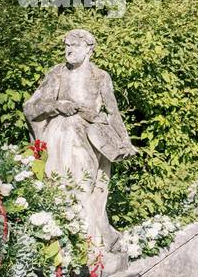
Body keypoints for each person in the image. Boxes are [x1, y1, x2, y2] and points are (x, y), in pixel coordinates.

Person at [24, 29, 137, 253]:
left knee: (86, 186)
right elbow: (31, 107)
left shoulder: (100, 76)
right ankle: (68, 242)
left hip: (89, 137)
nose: (69, 50)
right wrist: (55, 106)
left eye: (75, 45)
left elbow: (113, 112)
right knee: (59, 185)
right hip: (59, 136)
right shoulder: (56, 73)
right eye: (67, 45)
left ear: (89, 49)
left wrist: (125, 142)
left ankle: (88, 243)